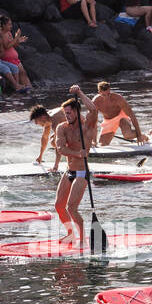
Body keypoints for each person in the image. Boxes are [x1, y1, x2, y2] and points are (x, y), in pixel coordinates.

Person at [51, 96, 94, 244]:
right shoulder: (61, 127)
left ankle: (83, 240)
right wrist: (77, 153)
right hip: (69, 171)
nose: (66, 116)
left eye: (69, 113)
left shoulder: (87, 127)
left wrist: (80, 92)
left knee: (72, 208)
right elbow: (61, 148)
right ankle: (70, 234)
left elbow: (93, 109)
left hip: (82, 173)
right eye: (65, 113)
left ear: (76, 112)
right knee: (59, 205)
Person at [32, 86, 96, 165]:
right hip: (73, 128)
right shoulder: (48, 119)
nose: (36, 123)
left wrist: (55, 166)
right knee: (52, 140)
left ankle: (88, 145)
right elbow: (44, 138)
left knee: (55, 140)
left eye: (36, 121)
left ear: (42, 117)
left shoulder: (55, 118)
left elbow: (58, 143)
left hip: (82, 130)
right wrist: (40, 156)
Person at [0, 14, 31, 91]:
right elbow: (7, 46)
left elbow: (13, 45)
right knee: (21, 72)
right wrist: (16, 38)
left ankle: (29, 89)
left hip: (15, 58)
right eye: (9, 24)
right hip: (7, 59)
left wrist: (18, 40)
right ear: (4, 25)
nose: (11, 26)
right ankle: (21, 88)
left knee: (24, 72)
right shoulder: (2, 34)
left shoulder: (9, 33)